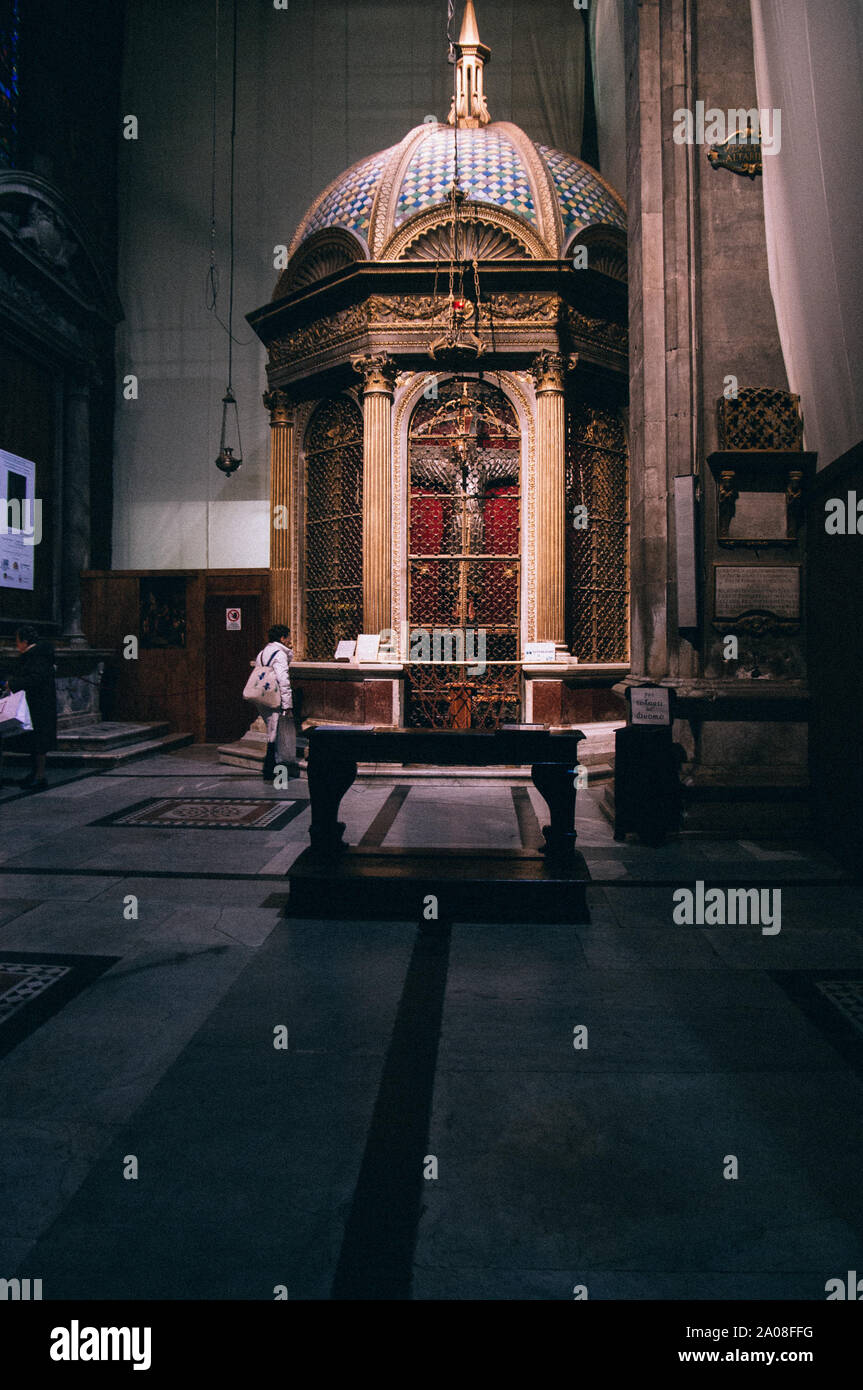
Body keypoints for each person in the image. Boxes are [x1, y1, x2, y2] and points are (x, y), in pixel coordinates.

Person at [0, 624, 57, 790]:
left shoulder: (36, 656)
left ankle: (39, 777)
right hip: (37, 705)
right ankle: (35, 775)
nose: (17, 645)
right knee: (36, 743)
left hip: (38, 706)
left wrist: (12, 683)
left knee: (39, 744)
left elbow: (34, 678)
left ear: (25, 641)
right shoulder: (38, 654)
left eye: (17, 641)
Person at [257, 624, 299, 782]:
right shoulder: (279, 654)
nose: (290, 640)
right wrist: (287, 704)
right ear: (282, 638)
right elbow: (283, 680)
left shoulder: (262, 653)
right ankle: (273, 771)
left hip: (263, 697)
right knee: (276, 734)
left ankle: (270, 768)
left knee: (272, 731)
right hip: (276, 697)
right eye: (288, 637)